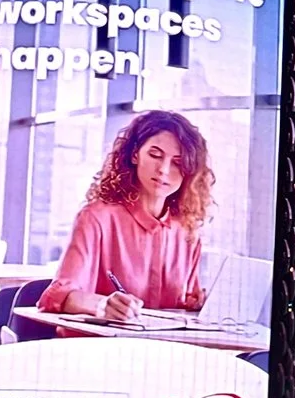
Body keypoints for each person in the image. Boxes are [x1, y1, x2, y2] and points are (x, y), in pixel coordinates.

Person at [38, 110, 215, 323]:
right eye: (155, 155)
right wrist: (102, 306)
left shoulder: (187, 232)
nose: (163, 169)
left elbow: (184, 304)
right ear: (134, 155)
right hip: (99, 349)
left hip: (161, 350)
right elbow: (56, 296)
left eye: (178, 162)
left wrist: (199, 304)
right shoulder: (97, 218)